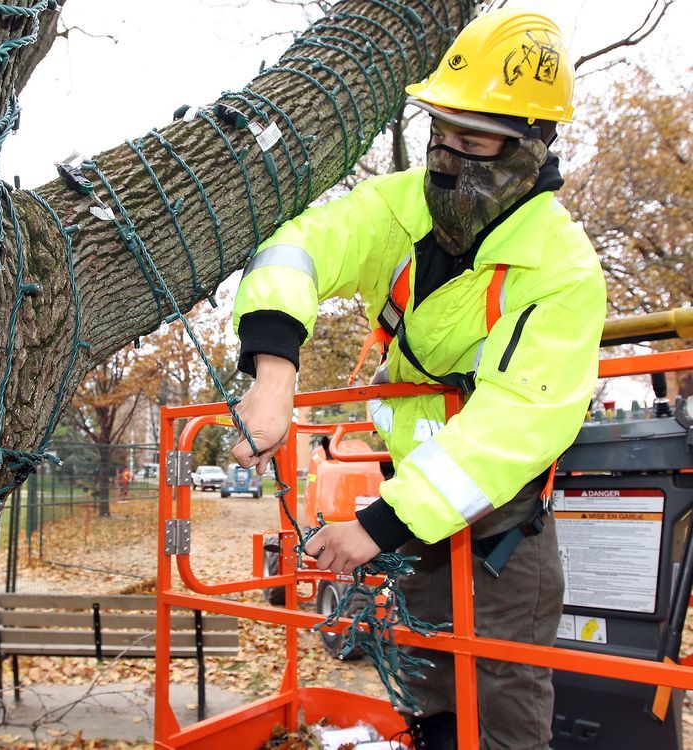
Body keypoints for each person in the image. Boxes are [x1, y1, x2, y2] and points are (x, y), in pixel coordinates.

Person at [230, 9, 606, 750]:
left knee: (501, 694)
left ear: (528, 147)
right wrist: (273, 369)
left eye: (471, 141)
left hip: (501, 526)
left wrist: (378, 526)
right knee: (431, 681)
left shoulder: (561, 271)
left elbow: (515, 423)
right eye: (440, 134)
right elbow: (302, 247)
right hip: (416, 507)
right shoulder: (405, 207)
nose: (445, 157)